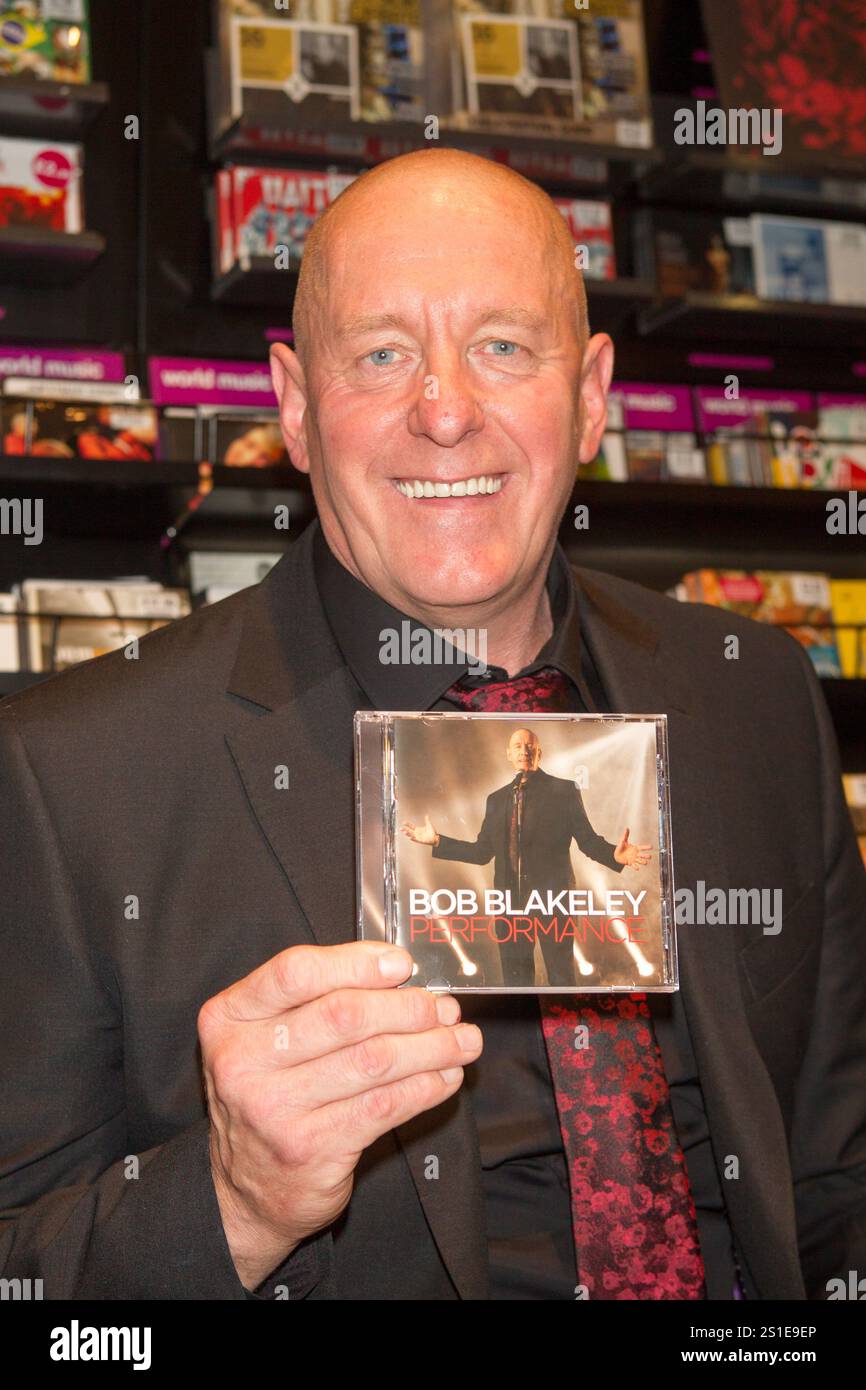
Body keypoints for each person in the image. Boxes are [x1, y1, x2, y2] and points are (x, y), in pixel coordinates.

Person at [1, 148, 864, 1301]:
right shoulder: (74, 771)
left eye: (502, 345)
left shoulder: (751, 694)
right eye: (381, 354)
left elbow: (834, 1175)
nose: (445, 410)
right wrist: (233, 1200)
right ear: (298, 410)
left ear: (592, 394)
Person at [402, 725, 651, 985]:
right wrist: (438, 841)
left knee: (561, 976)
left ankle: (562, 1023)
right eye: (518, 746)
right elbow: (481, 852)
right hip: (510, 904)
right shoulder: (496, 799)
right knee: (515, 981)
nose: (525, 750)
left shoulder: (564, 790)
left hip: (553, 902)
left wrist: (615, 854)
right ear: (509, 754)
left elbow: (587, 841)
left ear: (539, 753)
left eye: (530, 745)